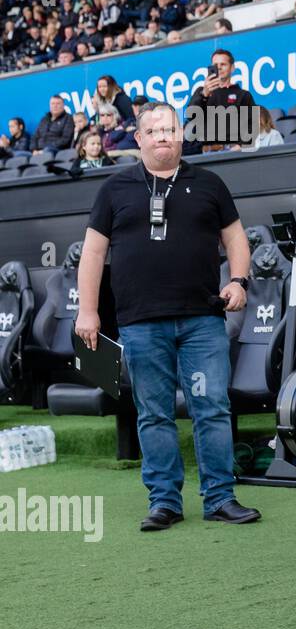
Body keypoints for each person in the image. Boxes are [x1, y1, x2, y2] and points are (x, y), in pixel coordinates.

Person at [75, 102, 260, 530]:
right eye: (154, 130)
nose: (163, 136)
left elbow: (236, 239)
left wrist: (239, 281)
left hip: (202, 321)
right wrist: (87, 310)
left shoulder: (210, 184)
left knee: (212, 407)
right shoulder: (114, 189)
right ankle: (165, 503)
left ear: (182, 135)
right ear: (137, 139)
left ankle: (219, 498)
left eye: (170, 129)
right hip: (140, 324)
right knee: (153, 413)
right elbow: (93, 253)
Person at [185, 49, 258, 154]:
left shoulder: (243, 95)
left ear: (232, 68)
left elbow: (253, 124)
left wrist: (241, 145)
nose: (219, 67)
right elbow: (190, 116)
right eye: (215, 64)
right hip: (205, 153)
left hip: (233, 152)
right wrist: (204, 94)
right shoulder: (201, 92)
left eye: (223, 64)